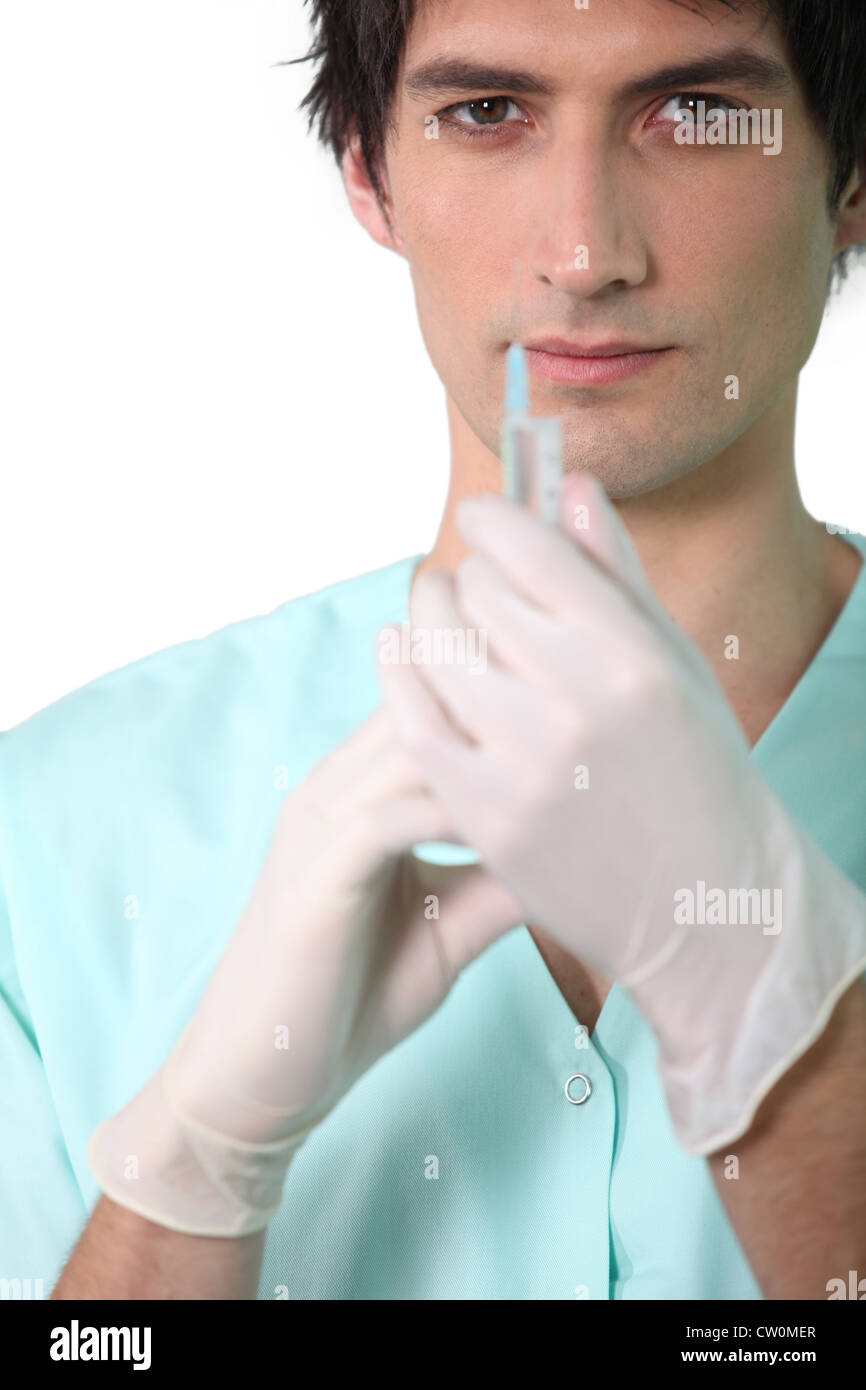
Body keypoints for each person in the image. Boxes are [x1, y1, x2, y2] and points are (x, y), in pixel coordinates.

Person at [2, 0, 866, 1302]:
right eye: (485, 112)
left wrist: (777, 1021)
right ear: (366, 167)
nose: (583, 253)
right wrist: (189, 1172)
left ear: (850, 175)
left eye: (694, 115)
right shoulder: (56, 839)